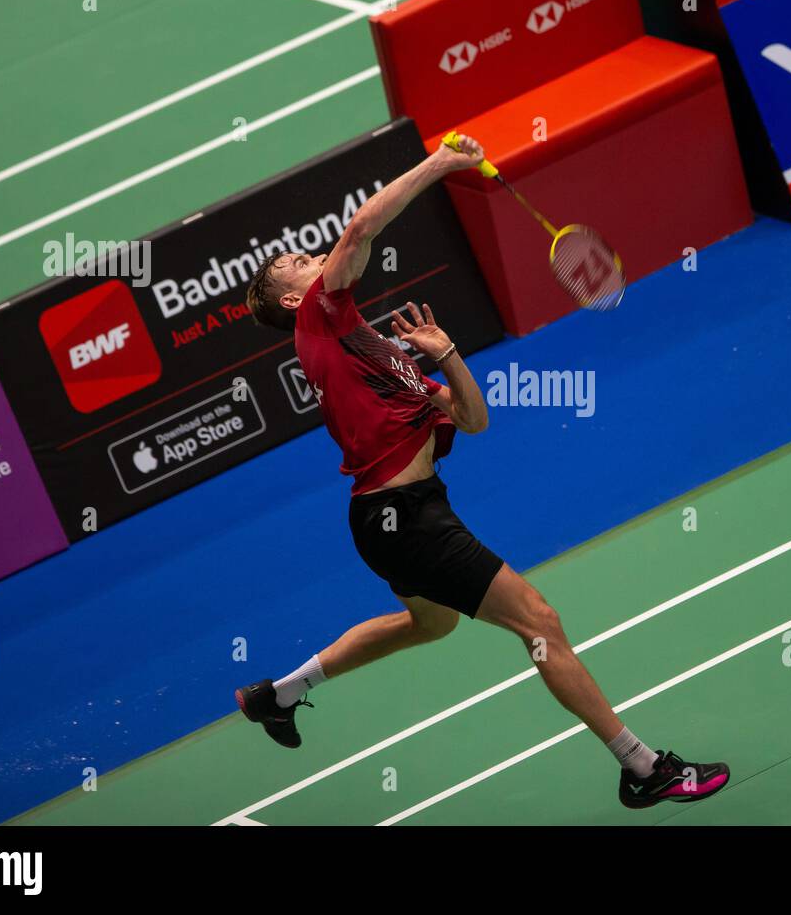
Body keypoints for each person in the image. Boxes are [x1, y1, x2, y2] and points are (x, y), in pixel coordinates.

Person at [236, 134, 728, 809]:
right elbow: (359, 229)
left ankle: (278, 693)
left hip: (391, 517)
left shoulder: (373, 347)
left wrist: (450, 355)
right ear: (296, 299)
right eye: (297, 263)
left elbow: (472, 421)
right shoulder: (321, 318)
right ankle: (643, 767)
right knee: (540, 624)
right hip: (402, 519)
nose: (311, 258)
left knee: (429, 626)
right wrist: (440, 166)